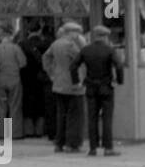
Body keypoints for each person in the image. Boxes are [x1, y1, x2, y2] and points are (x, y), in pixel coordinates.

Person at [72, 25, 124, 156]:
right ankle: (108, 148)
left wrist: (76, 81)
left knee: (92, 118)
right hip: (106, 87)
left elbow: (73, 66)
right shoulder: (109, 50)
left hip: (91, 88)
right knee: (107, 118)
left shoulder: (86, 50)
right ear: (105, 36)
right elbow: (118, 65)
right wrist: (119, 80)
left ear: (94, 36)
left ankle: (93, 148)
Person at [43, 23, 86, 153]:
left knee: (61, 114)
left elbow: (45, 57)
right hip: (73, 85)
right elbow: (82, 57)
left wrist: (51, 72)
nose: (78, 35)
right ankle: (72, 144)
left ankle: (59, 143)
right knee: (75, 115)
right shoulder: (71, 45)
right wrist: (83, 44)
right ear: (70, 32)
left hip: (59, 84)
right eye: (76, 33)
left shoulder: (56, 44)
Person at [19, 24, 49, 137]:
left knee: (27, 104)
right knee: (40, 104)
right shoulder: (45, 44)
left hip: (26, 78)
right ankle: (40, 130)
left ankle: (29, 130)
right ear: (40, 30)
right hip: (41, 78)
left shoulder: (22, 44)